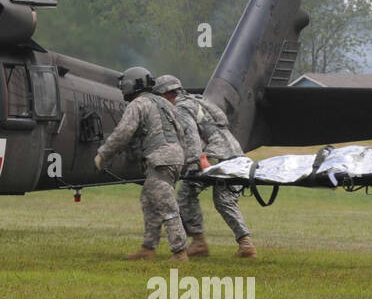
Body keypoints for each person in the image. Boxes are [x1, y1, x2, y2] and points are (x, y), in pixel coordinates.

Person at [155, 75, 257, 258]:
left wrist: (196, 161)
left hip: (213, 155)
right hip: (234, 152)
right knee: (225, 201)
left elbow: (191, 136)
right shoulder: (199, 101)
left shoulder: (181, 108)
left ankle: (199, 242)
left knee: (186, 195)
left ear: (166, 94)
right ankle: (246, 245)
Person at [95, 67, 189, 261]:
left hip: (161, 158)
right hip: (174, 156)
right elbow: (182, 130)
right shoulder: (164, 103)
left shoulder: (138, 104)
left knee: (166, 205)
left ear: (130, 84)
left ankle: (180, 252)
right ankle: (148, 248)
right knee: (149, 200)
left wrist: (103, 153)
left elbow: (123, 132)